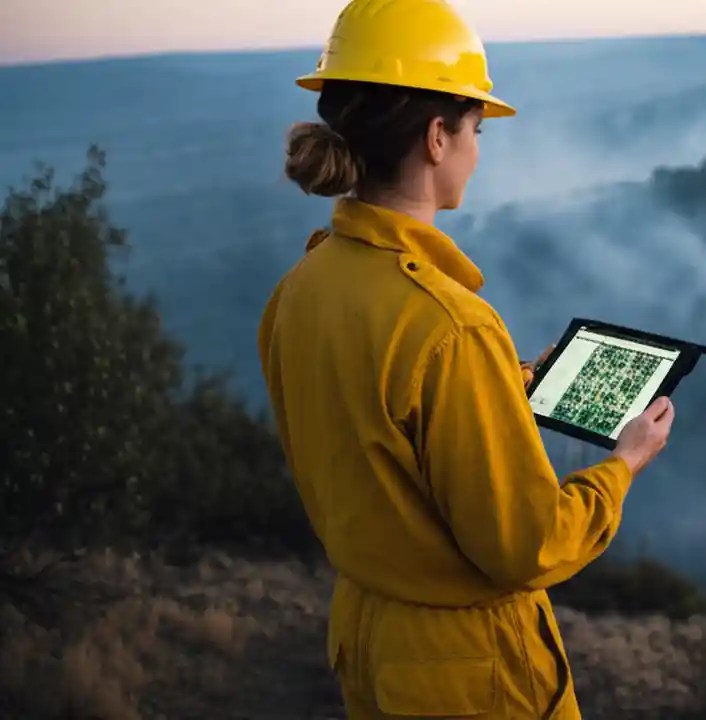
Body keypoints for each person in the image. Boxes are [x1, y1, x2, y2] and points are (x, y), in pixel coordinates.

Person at [257, 1, 675, 717]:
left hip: (371, 636)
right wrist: (622, 467)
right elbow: (525, 547)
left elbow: (380, 427)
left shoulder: (303, 287)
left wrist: (505, 386)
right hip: (468, 672)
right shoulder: (454, 325)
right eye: (476, 129)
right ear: (437, 138)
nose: (480, 149)